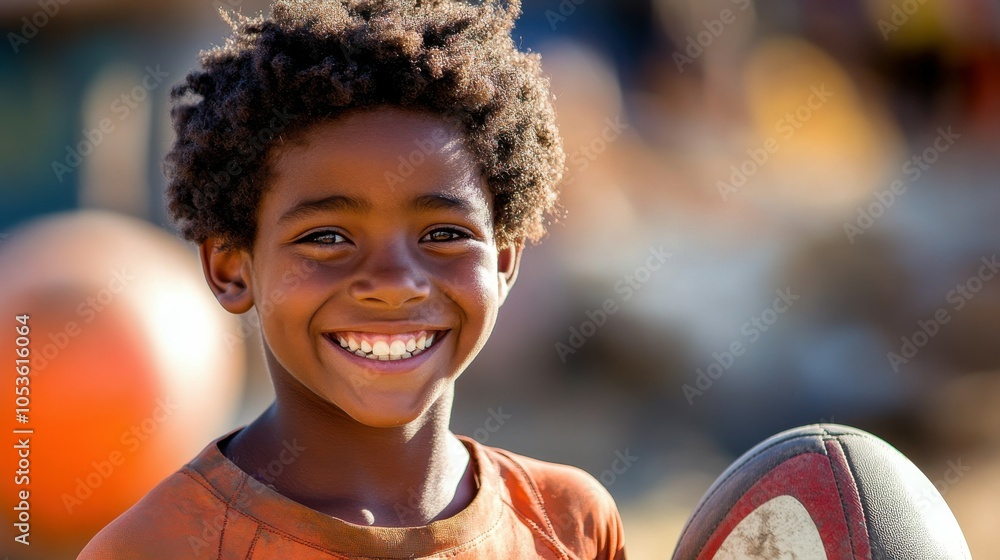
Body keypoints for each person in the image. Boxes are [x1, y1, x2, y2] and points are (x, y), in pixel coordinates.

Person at [78, 0, 626, 558]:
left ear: (504, 261)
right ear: (231, 268)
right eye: (327, 238)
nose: (393, 282)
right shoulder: (157, 547)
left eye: (442, 234)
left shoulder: (570, 521)